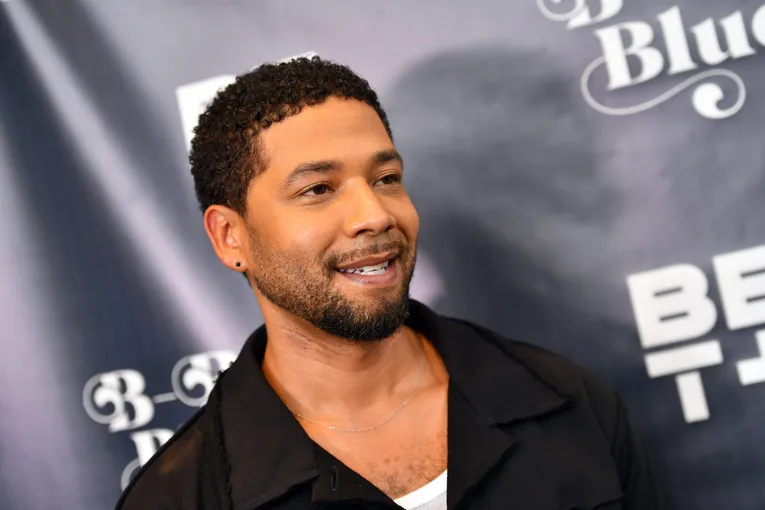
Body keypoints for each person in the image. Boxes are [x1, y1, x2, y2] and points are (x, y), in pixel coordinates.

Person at [116, 56, 660, 510]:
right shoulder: (181, 499)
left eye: (386, 178)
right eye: (318, 189)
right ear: (230, 236)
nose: (375, 214)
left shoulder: (569, 404)